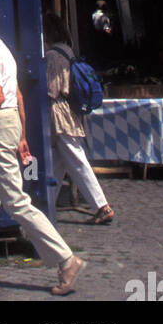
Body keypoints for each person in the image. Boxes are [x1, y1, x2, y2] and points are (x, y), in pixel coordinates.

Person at [0, 4, 84, 296]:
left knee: (15, 201)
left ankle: (66, 259)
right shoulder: (2, 49)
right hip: (4, 126)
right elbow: (17, 95)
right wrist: (21, 135)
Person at [44, 12, 114, 225]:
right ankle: (45, 207)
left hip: (59, 112)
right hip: (70, 111)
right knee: (58, 160)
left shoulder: (52, 55)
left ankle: (102, 205)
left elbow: (52, 89)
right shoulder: (67, 50)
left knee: (75, 158)